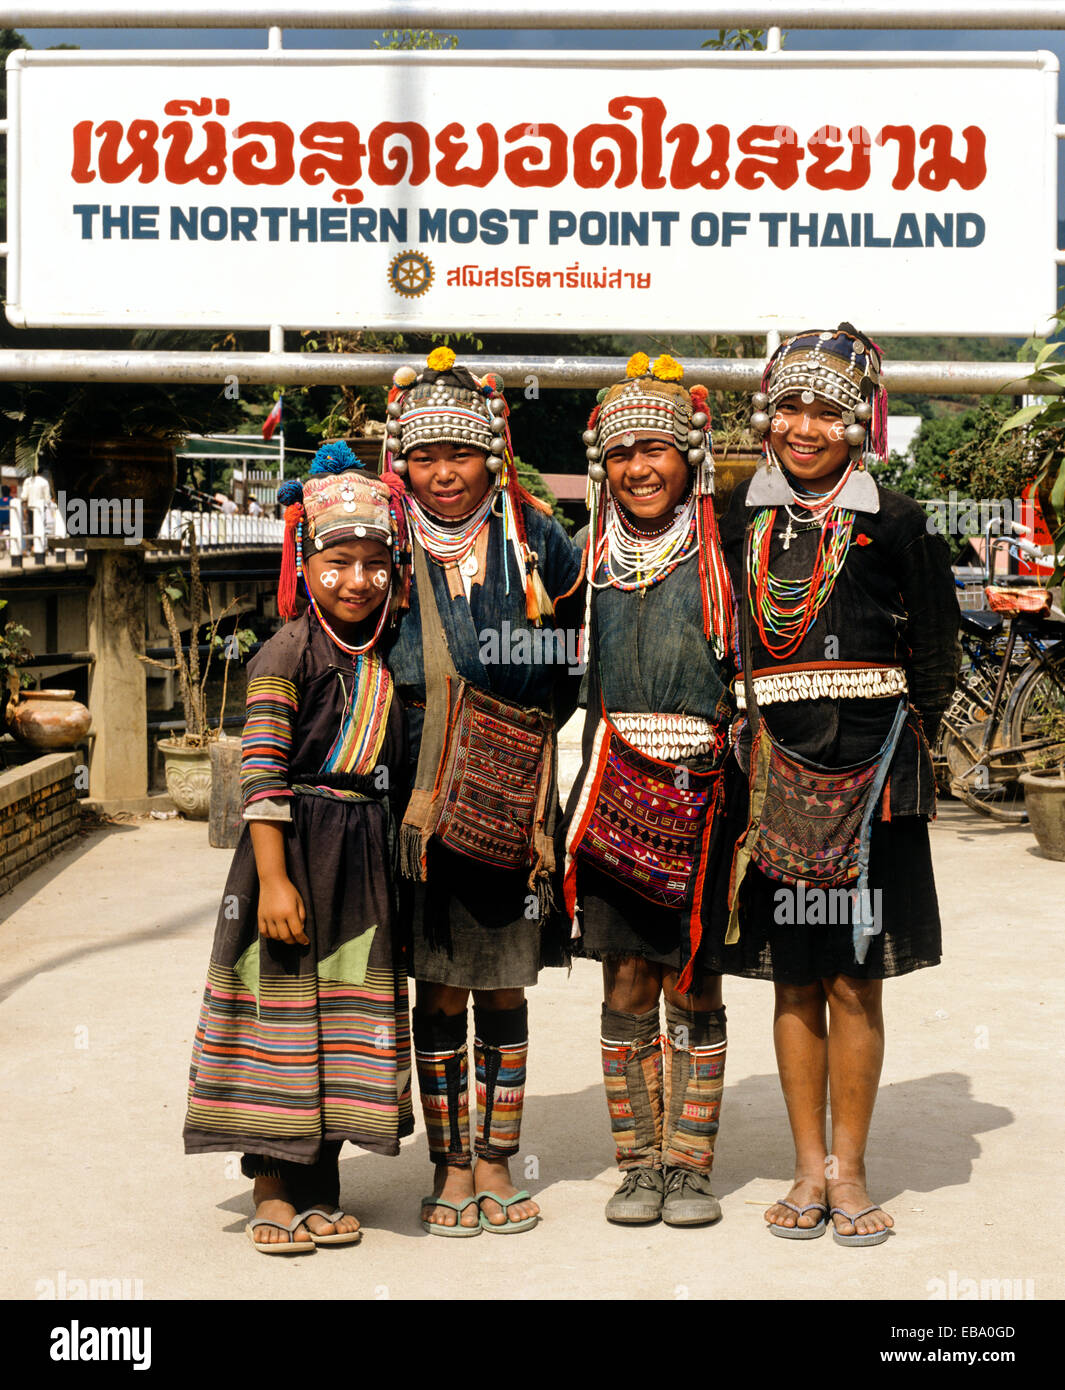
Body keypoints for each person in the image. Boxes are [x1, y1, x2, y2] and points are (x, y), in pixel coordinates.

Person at [720, 325, 961, 1246]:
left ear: (859, 422)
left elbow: (934, 656)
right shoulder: (736, 515)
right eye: (790, 406)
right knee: (795, 978)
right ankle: (802, 1169)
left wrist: (902, 749)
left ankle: (849, 1169)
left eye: (827, 409)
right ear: (767, 415)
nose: (806, 426)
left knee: (857, 980)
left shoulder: (895, 521)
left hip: (874, 778)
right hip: (773, 772)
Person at [183, 441, 414, 1254]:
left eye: (374, 563)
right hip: (289, 858)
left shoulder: (383, 653)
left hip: (359, 861)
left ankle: (323, 1182)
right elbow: (262, 777)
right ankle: (272, 1189)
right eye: (338, 562)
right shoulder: (286, 653)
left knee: (344, 1018)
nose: (358, 580)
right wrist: (274, 884)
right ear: (304, 562)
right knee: (278, 1015)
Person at [382, 347, 583, 1235]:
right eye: (423, 457)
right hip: (416, 801)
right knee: (436, 990)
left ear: (489, 455)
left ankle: (499, 1157)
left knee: (503, 986)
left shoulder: (538, 539)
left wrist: (502, 735)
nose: (442, 473)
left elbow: (573, 661)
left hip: (513, 796)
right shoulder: (383, 542)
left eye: (457, 454)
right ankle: (448, 1162)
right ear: (403, 462)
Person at [563, 352, 739, 1226]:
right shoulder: (581, 561)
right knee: (626, 978)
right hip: (610, 787)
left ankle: (689, 1165)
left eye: (658, 449)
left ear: (691, 459)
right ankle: (636, 1164)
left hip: (706, 793)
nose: (639, 466)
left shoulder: (726, 549)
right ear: (603, 462)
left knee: (693, 982)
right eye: (623, 449)